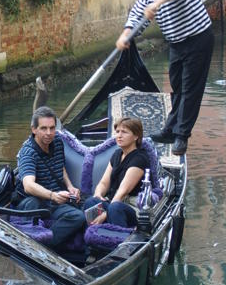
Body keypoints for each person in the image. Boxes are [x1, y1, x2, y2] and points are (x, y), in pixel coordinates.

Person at [116, 0, 214, 156]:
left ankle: (181, 136)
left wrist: (156, 4)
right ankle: (170, 130)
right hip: (177, 43)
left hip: (198, 38)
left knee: (190, 88)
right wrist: (126, 35)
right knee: (177, 86)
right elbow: (136, 15)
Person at [14, 105, 86, 248]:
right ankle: (38, 246)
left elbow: (60, 167)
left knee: (83, 213)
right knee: (34, 204)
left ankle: (45, 243)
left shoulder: (58, 141)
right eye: (43, 128)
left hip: (54, 201)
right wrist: (53, 195)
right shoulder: (28, 152)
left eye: (52, 128)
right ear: (34, 129)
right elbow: (28, 186)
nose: (49, 133)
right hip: (35, 201)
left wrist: (70, 186)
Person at [83, 117, 149, 228]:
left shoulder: (140, 158)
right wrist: (98, 195)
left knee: (115, 208)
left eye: (124, 132)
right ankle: (93, 236)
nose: (119, 135)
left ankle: (117, 240)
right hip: (114, 202)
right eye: (117, 131)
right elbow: (104, 183)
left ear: (136, 136)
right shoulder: (117, 154)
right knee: (91, 202)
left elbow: (122, 192)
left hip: (131, 207)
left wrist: (105, 214)